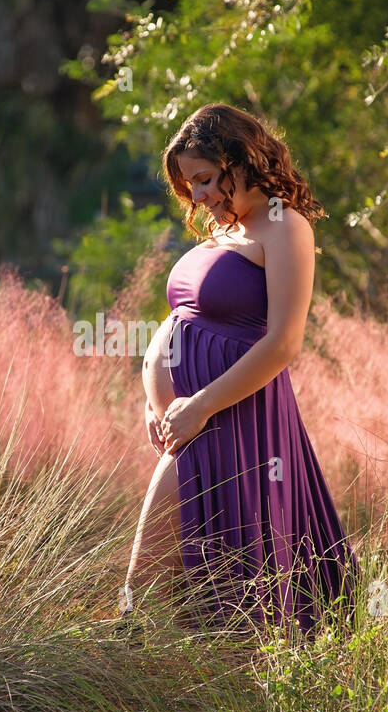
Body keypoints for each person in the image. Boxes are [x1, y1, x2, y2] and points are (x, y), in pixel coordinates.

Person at [122, 103, 360, 638]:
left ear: (240, 158)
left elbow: (283, 342)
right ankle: (169, 706)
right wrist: (152, 395)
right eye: (190, 185)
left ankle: (103, 693)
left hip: (234, 423)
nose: (199, 196)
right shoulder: (223, 231)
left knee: (147, 588)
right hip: (189, 426)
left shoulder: (283, 227)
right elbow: (184, 316)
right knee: (189, 596)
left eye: (205, 179)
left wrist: (200, 404)